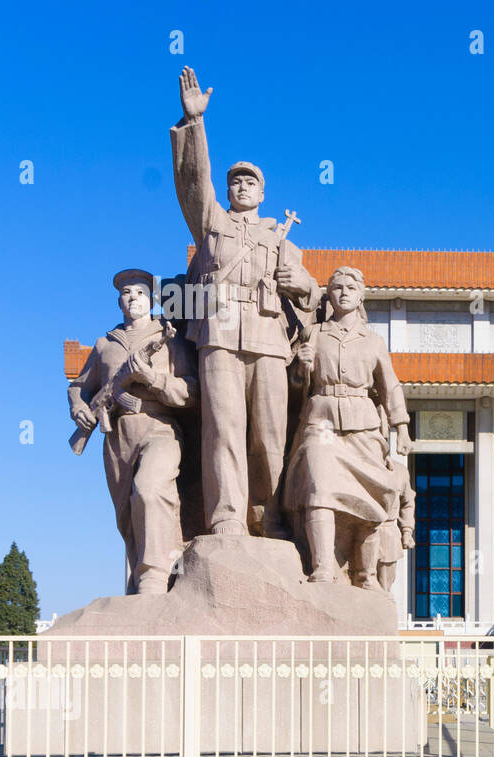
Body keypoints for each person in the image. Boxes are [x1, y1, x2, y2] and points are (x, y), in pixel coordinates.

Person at [171, 66, 322, 538]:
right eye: (235, 181)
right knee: (223, 428)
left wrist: (297, 280)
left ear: (263, 192)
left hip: (267, 338)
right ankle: (227, 516)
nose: (240, 187)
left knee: (270, 434)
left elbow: (315, 298)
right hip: (217, 333)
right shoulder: (211, 222)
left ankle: (271, 515)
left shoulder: (282, 240)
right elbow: (194, 182)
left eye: (249, 182)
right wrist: (194, 124)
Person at [68, 270, 199, 593]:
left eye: (139, 293)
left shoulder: (169, 339)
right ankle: (142, 577)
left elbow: (192, 391)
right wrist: (80, 408)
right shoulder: (104, 345)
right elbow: (81, 387)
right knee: (127, 515)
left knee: (150, 489)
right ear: (119, 301)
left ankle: (154, 573)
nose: (132, 298)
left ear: (151, 299)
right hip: (117, 436)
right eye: (126, 293)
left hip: (159, 427)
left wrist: (154, 380)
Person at [284, 267, 412, 585]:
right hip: (321, 422)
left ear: (361, 295)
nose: (343, 292)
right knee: (319, 487)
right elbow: (294, 388)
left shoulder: (374, 341)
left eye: (351, 287)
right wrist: (300, 368)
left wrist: (402, 426)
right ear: (329, 294)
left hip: (363, 427)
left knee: (371, 498)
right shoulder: (313, 334)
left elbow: (389, 386)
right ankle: (323, 566)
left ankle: (365, 573)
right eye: (337, 287)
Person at [377, 459, 415, 592]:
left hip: (387, 532)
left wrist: (407, 531)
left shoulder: (400, 471)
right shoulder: (356, 460)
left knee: (385, 586)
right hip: (359, 531)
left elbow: (407, 502)